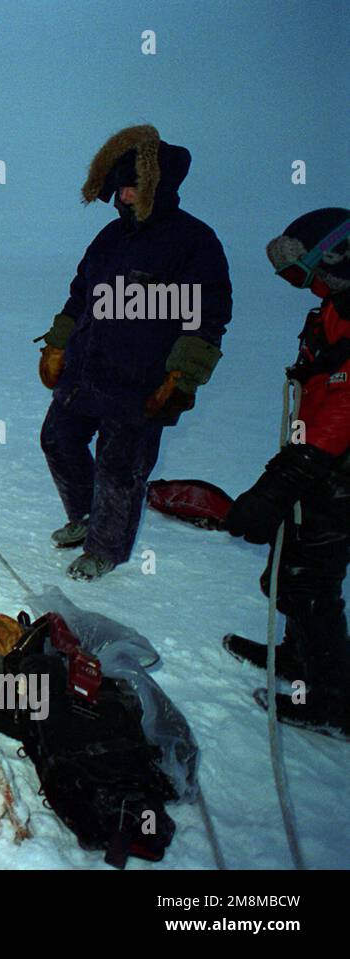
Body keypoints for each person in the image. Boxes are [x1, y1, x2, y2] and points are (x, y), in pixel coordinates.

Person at [37, 124, 232, 581]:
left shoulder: (194, 242)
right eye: (118, 188)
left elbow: (208, 316)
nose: (120, 197)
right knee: (58, 440)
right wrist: (58, 341)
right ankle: (87, 517)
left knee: (119, 468)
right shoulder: (110, 238)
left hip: (140, 380)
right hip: (86, 369)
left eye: (129, 188)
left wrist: (180, 377)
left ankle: (106, 547)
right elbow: (80, 293)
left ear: (155, 187)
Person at [224, 208, 350, 739]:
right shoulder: (335, 309)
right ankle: (299, 658)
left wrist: (281, 482)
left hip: (336, 469)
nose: (306, 285)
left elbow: (341, 412)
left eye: (307, 271)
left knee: (313, 580)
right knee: (295, 564)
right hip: (322, 463)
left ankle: (334, 702)